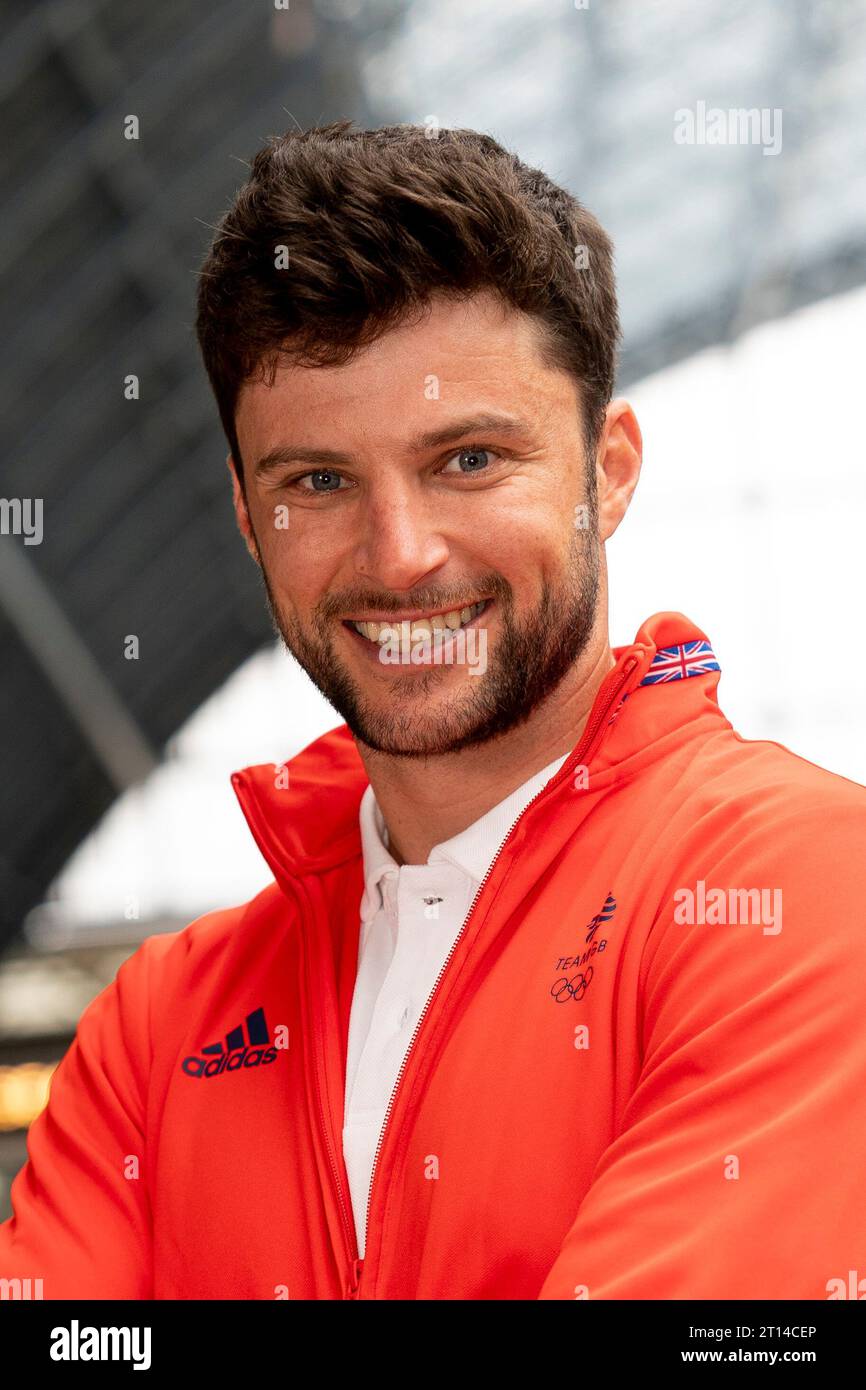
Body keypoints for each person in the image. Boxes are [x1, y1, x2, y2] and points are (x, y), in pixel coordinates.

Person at [3, 121, 866, 1301]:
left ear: (604, 471)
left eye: (466, 459)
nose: (399, 555)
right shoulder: (157, 1030)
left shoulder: (800, 887)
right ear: (251, 519)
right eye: (318, 481)